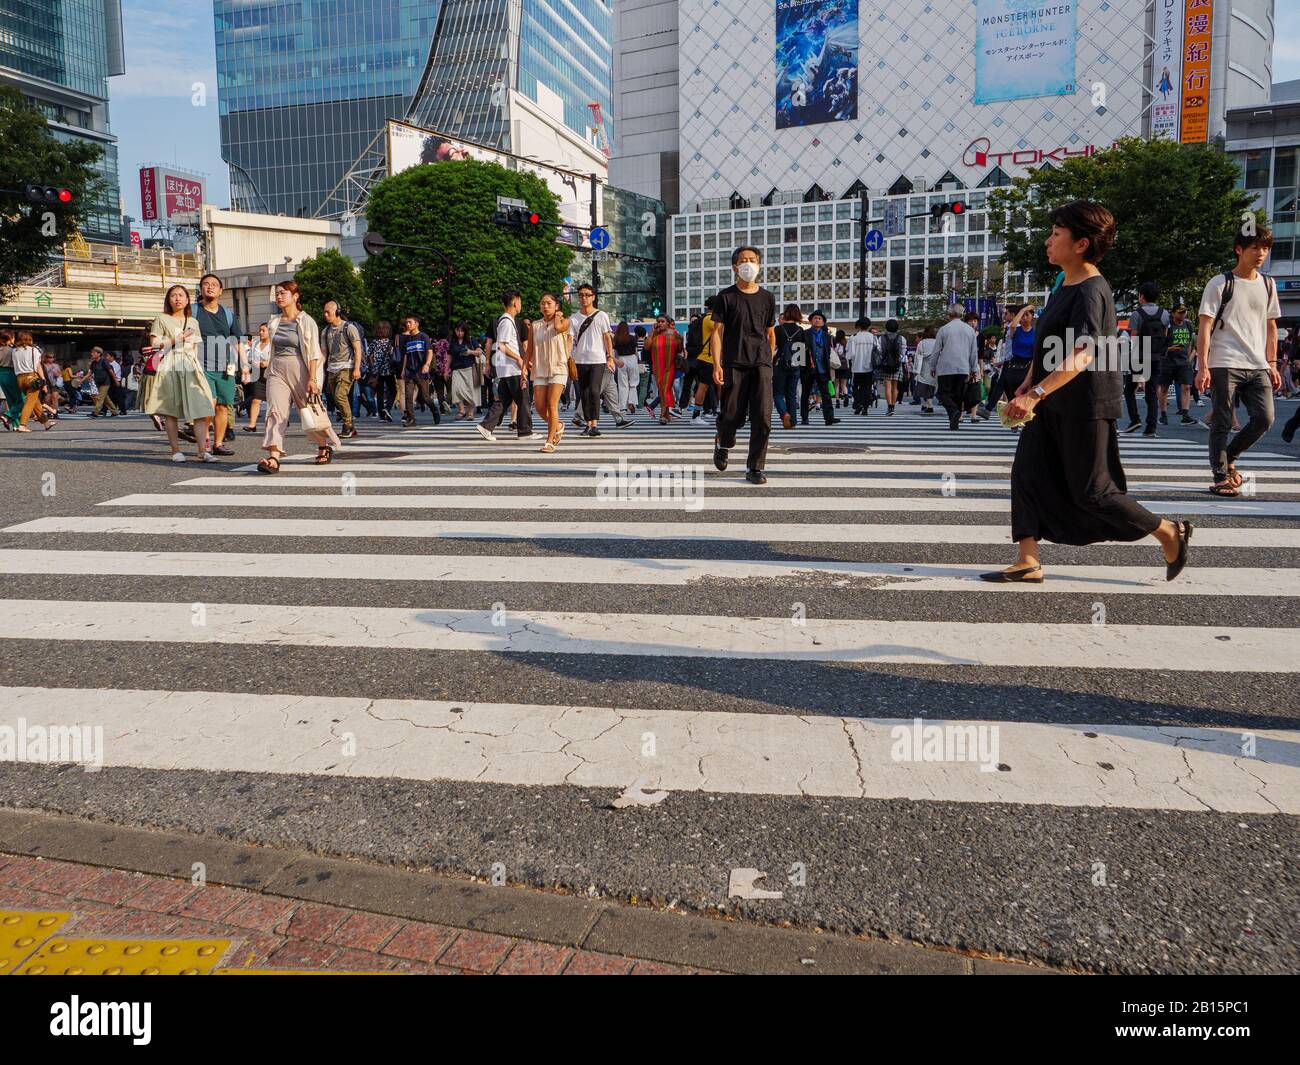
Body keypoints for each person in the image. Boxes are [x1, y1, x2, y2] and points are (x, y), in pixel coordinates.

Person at [984, 200, 1189, 584]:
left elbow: (1083, 353)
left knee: (1094, 492)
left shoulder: (1092, 290)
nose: (1048, 241)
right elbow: (1051, 342)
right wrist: (1030, 380)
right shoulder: (1065, 284)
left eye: (1056, 234)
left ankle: (1168, 531)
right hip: (1050, 399)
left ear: (1080, 244)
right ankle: (1028, 559)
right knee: (1026, 474)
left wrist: (1035, 393)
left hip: (1085, 404)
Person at [1197, 225, 1281, 491]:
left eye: (1265, 248)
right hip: (1224, 361)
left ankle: (1230, 455)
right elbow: (1205, 326)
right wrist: (1203, 366)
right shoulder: (1220, 283)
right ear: (1239, 250)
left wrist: (1273, 363)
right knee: (1222, 420)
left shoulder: (1268, 284)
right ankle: (1220, 476)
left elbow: (1271, 327)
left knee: (1264, 418)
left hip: (1257, 364)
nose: (1260, 253)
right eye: (1255, 247)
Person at [258, 280, 339, 471]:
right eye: (277, 293)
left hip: (301, 368)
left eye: (283, 293)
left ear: (295, 296)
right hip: (277, 369)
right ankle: (274, 457)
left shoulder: (306, 321)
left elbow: (313, 353)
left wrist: (313, 379)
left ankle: (323, 445)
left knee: (309, 410)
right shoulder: (274, 322)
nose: (278, 296)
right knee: (275, 412)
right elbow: (273, 348)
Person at [711, 245, 776, 484]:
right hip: (733, 362)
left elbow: (770, 333)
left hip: (761, 362)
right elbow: (717, 332)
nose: (748, 263)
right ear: (735, 267)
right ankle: (723, 441)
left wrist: (769, 360)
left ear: (759, 265)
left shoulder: (768, 298)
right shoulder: (725, 297)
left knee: (763, 416)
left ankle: (755, 467)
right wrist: (716, 364)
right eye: (743, 260)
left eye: (752, 259)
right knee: (731, 415)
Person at [146, 284, 216, 461]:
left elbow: (195, 347)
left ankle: (202, 451)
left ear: (187, 300)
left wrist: (198, 366)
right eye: (173, 295)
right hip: (170, 363)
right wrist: (175, 339)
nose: (177, 298)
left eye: (181, 295)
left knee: (201, 406)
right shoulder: (161, 318)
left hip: (190, 364)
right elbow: (154, 343)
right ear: (168, 300)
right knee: (171, 409)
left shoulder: (193, 322)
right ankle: (175, 450)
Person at [191, 273, 241, 454]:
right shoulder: (193, 310)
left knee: (222, 406)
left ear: (221, 291)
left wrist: (246, 367)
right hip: (201, 367)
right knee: (207, 407)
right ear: (201, 289)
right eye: (205, 284)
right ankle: (204, 446)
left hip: (225, 367)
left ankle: (218, 444)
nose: (209, 287)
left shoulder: (228, 314)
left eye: (214, 285)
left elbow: (237, 340)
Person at [477, 291, 535, 442]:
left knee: (504, 400)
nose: (520, 305)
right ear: (515, 303)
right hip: (512, 368)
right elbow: (502, 346)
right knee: (523, 398)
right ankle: (525, 431)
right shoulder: (507, 321)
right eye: (520, 302)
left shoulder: (507, 320)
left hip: (508, 368)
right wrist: (518, 359)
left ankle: (486, 426)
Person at [569, 283, 616, 437]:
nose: (583, 298)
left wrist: (610, 357)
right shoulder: (574, 318)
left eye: (587, 295)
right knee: (583, 392)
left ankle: (594, 424)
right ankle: (588, 424)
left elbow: (607, 337)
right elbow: (570, 339)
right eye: (581, 295)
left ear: (593, 297)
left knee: (594, 391)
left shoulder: (601, 315)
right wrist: (567, 357)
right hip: (580, 360)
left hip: (598, 359)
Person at [529, 294, 571, 451]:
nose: (545, 306)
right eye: (542, 303)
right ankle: (558, 425)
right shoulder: (535, 325)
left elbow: (559, 328)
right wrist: (523, 369)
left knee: (552, 404)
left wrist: (558, 318)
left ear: (557, 306)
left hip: (558, 367)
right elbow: (529, 349)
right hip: (540, 368)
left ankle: (550, 441)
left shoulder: (565, 321)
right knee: (540, 406)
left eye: (549, 303)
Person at [931, 305, 980, 430]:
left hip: (946, 367)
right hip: (963, 367)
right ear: (962, 314)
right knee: (958, 395)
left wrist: (933, 366)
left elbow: (936, 350)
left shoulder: (944, 329)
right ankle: (954, 422)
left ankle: (953, 413)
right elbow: (974, 352)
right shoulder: (970, 330)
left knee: (943, 393)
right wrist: (974, 369)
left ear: (949, 314)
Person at [321, 300, 364, 439]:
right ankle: (350, 425)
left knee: (340, 395)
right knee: (335, 397)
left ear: (337, 312)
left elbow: (358, 349)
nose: (325, 314)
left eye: (328, 311)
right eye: (324, 312)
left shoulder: (349, 328)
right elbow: (323, 353)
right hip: (332, 368)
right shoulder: (325, 331)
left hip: (347, 367)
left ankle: (348, 425)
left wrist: (357, 369)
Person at [986, 305, 1035, 420]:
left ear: (1033, 317)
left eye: (1027, 315)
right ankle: (1014, 418)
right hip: (1014, 364)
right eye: (1022, 315)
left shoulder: (1035, 333)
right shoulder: (1016, 330)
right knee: (1012, 392)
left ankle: (1024, 418)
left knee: (1025, 392)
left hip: (1028, 365)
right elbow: (1013, 325)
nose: (1024, 317)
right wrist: (1023, 310)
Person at [800, 309, 838, 426]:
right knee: (805, 393)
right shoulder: (805, 334)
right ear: (811, 321)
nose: (817, 320)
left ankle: (829, 418)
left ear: (823, 322)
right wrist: (801, 367)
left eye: (820, 318)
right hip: (808, 368)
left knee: (825, 394)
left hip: (822, 369)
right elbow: (801, 351)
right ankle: (804, 418)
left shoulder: (827, 336)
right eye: (815, 318)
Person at [397, 314, 436, 427]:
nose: (407, 324)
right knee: (408, 396)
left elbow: (429, 352)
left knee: (425, 397)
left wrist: (427, 364)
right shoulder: (406, 339)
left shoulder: (423, 336)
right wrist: (403, 370)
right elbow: (405, 355)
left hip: (421, 371)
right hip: (409, 371)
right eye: (407, 322)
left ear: (416, 324)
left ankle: (434, 410)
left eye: (410, 322)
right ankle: (411, 418)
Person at [11, 331, 53, 431]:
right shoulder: (34, 350)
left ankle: (46, 423)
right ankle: (22, 425)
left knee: (35, 402)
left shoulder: (14, 351)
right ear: (29, 339)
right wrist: (43, 382)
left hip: (19, 379)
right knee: (30, 402)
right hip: (31, 377)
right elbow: (38, 367)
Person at [646, 314, 683, 425]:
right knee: (662, 390)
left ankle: (663, 414)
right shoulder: (654, 334)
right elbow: (647, 347)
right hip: (657, 367)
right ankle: (667, 414)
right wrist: (652, 332)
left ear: (667, 323)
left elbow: (680, 349)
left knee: (665, 389)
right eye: (658, 321)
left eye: (662, 321)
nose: (660, 323)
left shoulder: (674, 333)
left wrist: (680, 340)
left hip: (670, 366)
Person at [773, 304, 805, 428]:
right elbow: (802, 351)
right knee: (791, 394)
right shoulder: (800, 330)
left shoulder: (778, 329)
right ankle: (793, 422)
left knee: (778, 393)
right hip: (795, 365)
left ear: (786, 314)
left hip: (780, 364)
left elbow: (773, 346)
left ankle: (784, 413)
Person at [241, 323, 272, 432]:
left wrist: (267, 362)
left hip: (271, 373)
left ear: (270, 331)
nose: (261, 332)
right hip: (258, 373)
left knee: (273, 401)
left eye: (263, 330)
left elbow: (277, 358)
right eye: (260, 330)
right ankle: (252, 424)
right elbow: (250, 358)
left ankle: (277, 422)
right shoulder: (255, 344)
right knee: (256, 399)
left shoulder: (274, 344)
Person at [447, 322, 480, 420]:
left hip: (469, 368)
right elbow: (449, 356)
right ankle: (461, 410)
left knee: (470, 391)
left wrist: (470, 352)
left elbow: (478, 352)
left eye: (462, 331)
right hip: (456, 369)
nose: (459, 333)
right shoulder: (452, 341)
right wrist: (446, 369)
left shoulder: (471, 339)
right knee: (456, 390)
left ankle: (470, 412)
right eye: (457, 330)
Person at [875, 319, 905, 416]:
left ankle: (889, 407)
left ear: (886, 327)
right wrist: (897, 360)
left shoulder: (881, 338)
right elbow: (903, 353)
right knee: (895, 387)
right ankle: (893, 406)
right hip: (897, 365)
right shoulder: (902, 338)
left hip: (885, 365)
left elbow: (879, 351)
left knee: (887, 386)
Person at [368, 320, 398, 422]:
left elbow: (370, 356)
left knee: (379, 393)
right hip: (388, 370)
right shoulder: (390, 343)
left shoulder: (373, 343)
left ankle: (381, 415)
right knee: (393, 390)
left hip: (377, 371)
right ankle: (387, 408)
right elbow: (393, 356)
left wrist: (373, 367)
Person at [847, 318, 876, 416]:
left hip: (857, 366)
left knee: (855, 386)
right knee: (867, 388)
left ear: (859, 326)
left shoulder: (854, 338)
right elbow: (878, 351)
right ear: (868, 326)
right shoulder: (873, 337)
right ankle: (865, 408)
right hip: (869, 366)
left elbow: (850, 355)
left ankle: (858, 403)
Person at [612, 321, 640, 416]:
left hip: (621, 360)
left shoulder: (616, 339)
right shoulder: (632, 338)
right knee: (633, 383)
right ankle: (632, 402)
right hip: (632, 359)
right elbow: (636, 352)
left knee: (623, 385)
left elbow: (614, 352)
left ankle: (623, 407)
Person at [914, 325, 938, 414]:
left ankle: (926, 404)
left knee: (923, 386)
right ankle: (928, 404)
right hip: (935, 366)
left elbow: (917, 356)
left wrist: (915, 370)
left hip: (924, 366)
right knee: (932, 386)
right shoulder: (937, 342)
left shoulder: (922, 343)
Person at [0, 329, 20, 431]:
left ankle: (16, 425)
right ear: (10, 338)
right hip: (10, 373)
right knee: (21, 399)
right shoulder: (12, 350)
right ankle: (7, 415)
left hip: (1, 374)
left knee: (10, 400)